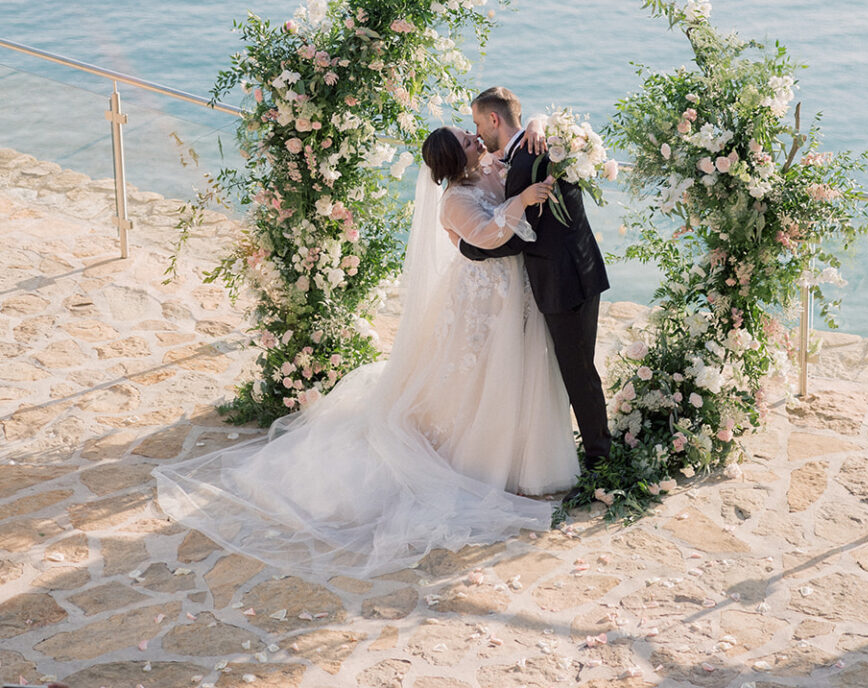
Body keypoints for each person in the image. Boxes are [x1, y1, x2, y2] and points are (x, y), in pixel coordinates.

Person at [155, 127, 579, 579]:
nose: (477, 139)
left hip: (506, 291)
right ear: (457, 159)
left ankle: (515, 451)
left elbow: (510, 159)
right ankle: (483, 457)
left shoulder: (488, 170)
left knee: (502, 372)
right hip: (478, 299)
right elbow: (487, 234)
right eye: (468, 140)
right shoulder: (453, 198)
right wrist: (521, 202)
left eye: (473, 134)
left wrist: (532, 138)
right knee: (473, 375)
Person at [460, 86, 611, 476]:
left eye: (478, 123)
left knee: (577, 371)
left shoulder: (526, 164)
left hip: (564, 282)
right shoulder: (541, 146)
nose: (476, 133)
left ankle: (600, 459)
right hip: (581, 269)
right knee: (578, 367)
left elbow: (515, 238)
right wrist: (536, 119)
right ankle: (593, 446)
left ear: (494, 119)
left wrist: (469, 248)